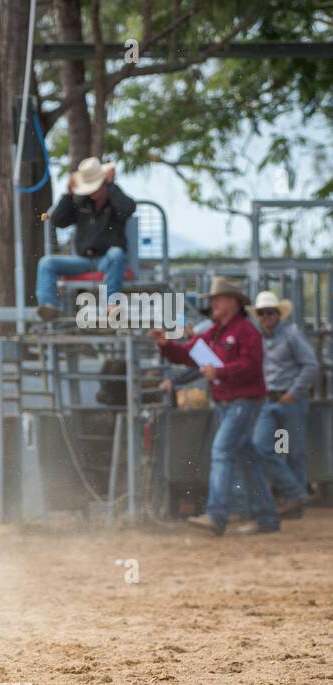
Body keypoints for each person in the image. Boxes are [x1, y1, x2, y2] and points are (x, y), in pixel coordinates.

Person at [151, 277, 278, 535]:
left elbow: (251, 366)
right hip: (231, 403)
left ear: (232, 301)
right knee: (246, 458)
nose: (213, 304)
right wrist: (166, 346)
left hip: (243, 402)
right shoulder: (215, 331)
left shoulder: (245, 330)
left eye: (216, 299)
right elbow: (189, 354)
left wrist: (219, 371)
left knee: (221, 450)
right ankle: (267, 518)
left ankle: (216, 515)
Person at [37, 157, 136, 321]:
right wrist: (68, 195)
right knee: (46, 263)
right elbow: (57, 220)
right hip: (82, 261)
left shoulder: (116, 203)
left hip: (107, 261)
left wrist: (112, 186)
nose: (93, 191)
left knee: (116, 254)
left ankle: (111, 305)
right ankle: (49, 306)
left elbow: (128, 209)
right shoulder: (81, 203)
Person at [247, 290, 318, 515]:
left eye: (270, 312)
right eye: (262, 313)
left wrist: (294, 392)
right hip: (269, 401)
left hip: (289, 402)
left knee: (291, 450)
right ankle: (295, 495)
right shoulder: (259, 338)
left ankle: (293, 503)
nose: (266, 316)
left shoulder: (291, 335)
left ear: (278, 314)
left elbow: (311, 365)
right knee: (264, 446)